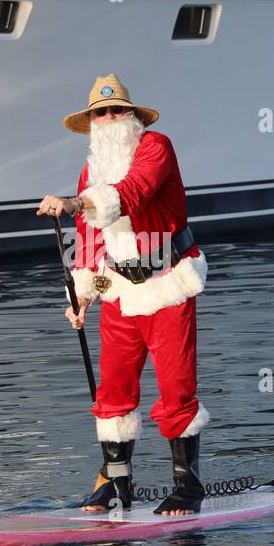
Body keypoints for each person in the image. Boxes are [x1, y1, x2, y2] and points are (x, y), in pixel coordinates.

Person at [36, 74, 209, 516]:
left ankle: (187, 486)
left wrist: (75, 203)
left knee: (175, 386)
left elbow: (133, 192)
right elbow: (90, 241)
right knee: (113, 391)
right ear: (91, 122)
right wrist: (82, 297)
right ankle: (116, 484)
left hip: (167, 284)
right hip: (119, 292)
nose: (109, 118)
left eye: (117, 111)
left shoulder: (156, 147)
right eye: (101, 113)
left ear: (132, 116)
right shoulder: (90, 171)